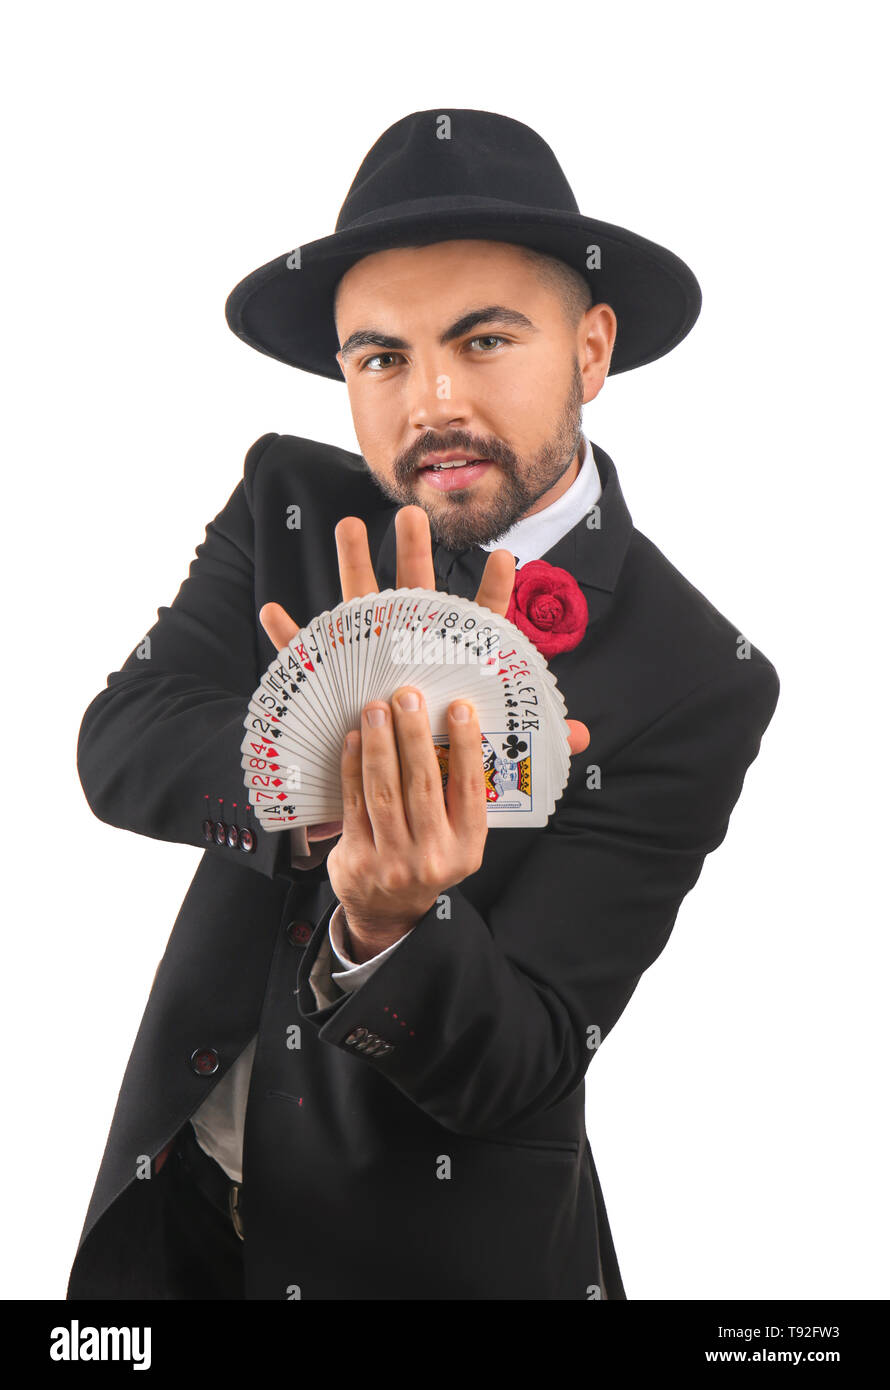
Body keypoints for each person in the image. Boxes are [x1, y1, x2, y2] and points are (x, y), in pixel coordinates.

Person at [67, 108, 780, 1301]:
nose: (430, 399)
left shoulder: (698, 673)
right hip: (170, 1205)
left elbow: (528, 1056)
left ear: (591, 349)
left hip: (428, 1261)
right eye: (379, 356)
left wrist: (394, 926)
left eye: (485, 339)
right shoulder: (286, 500)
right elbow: (123, 737)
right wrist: (314, 781)